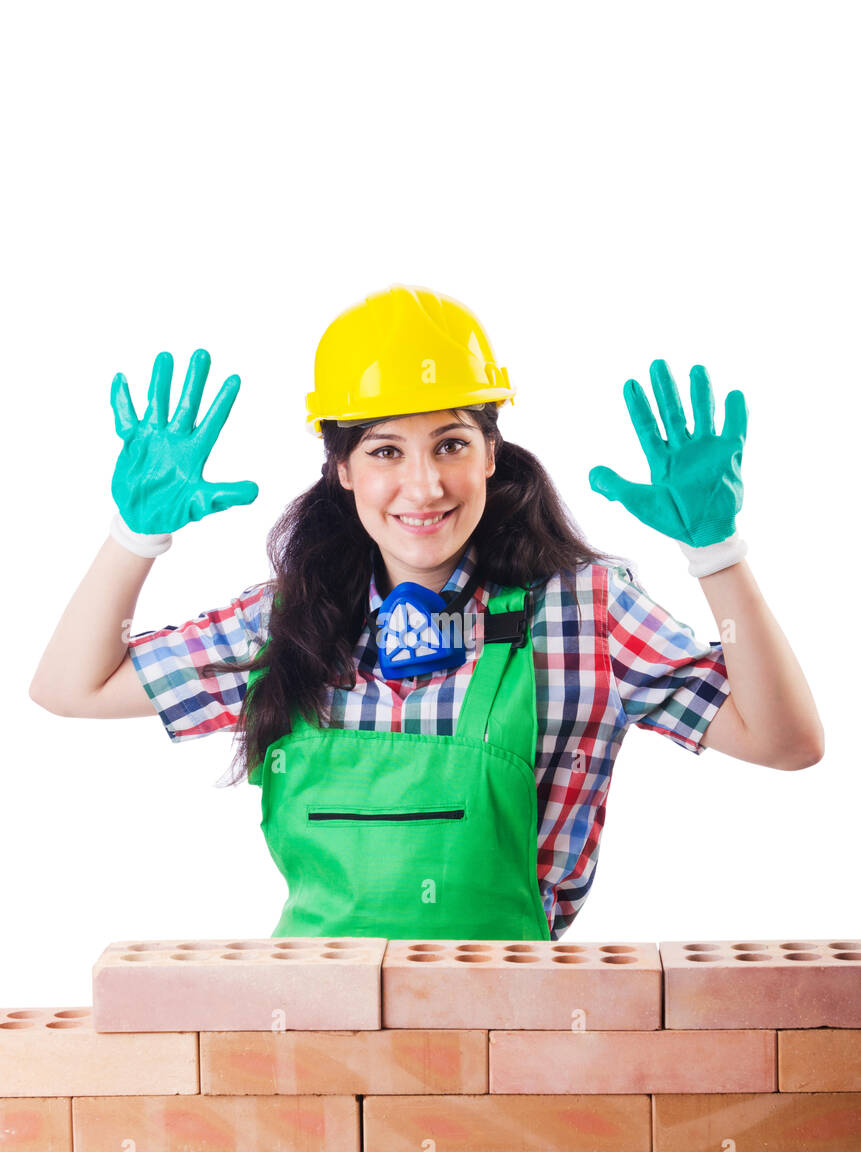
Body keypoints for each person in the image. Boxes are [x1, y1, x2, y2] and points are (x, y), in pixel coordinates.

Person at [29, 284, 824, 942]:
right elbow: (71, 687)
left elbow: (785, 743)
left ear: (489, 454)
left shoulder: (587, 610)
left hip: (512, 1035)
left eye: (449, 444)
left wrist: (716, 556)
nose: (424, 486)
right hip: (309, 1027)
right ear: (340, 469)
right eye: (385, 451)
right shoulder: (293, 619)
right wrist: (136, 535)